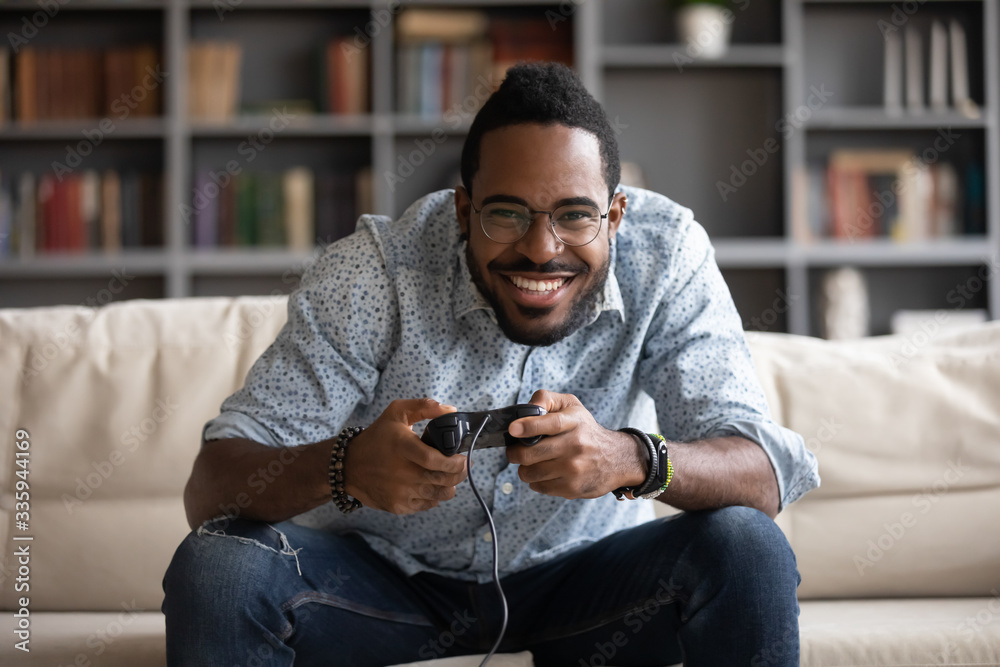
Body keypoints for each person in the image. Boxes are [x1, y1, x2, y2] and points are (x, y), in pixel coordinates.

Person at [163, 61, 819, 667]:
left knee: (746, 547)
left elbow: (761, 473)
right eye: (507, 214)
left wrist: (632, 458)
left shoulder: (667, 257)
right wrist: (347, 465)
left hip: (588, 581)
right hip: (385, 587)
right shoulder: (372, 274)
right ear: (463, 209)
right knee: (218, 568)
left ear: (615, 215)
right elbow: (212, 487)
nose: (541, 250)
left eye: (575, 216)